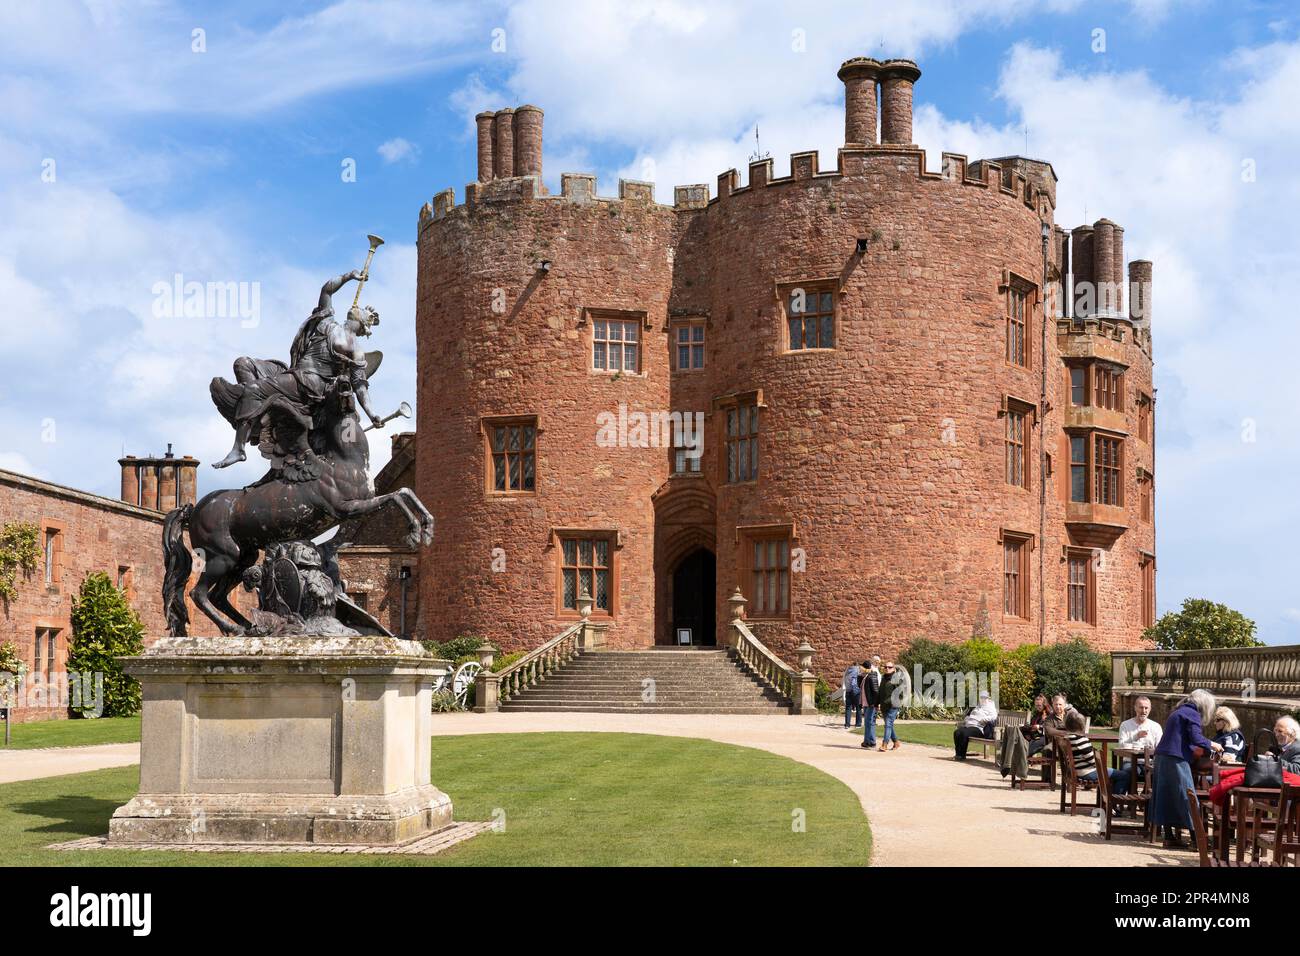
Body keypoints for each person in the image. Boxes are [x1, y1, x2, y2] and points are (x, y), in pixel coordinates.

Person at [1150, 688, 1223, 848]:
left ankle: (1169, 837)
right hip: (1175, 759)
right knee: (1188, 797)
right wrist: (1213, 744)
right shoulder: (1192, 714)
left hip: (1162, 757)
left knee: (1166, 796)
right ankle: (1198, 840)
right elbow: (1196, 738)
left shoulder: (1179, 711)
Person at [1116, 695, 1162, 784]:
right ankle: (1121, 797)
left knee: (1160, 774)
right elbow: (1121, 745)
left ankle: (1148, 797)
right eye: (1141, 707)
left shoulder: (1156, 727)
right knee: (1128, 773)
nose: (1143, 711)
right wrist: (1136, 736)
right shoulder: (1125, 725)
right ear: (1135, 708)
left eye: (1146, 708)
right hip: (1130, 762)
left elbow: (1160, 747)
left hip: (1150, 763)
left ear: (1150, 709)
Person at [953, 690, 998, 760]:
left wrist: (984, 719)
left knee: (964, 733)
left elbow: (994, 716)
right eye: (981, 697)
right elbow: (971, 715)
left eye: (984, 697)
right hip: (969, 726)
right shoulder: (978, 706)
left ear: (988, 698)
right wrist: (967, 719)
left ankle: (962, 755)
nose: (983, 699)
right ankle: (958, 754)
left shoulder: (991, 707)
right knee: (957, 732)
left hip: (979, 728)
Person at [877, 661, 904, 752]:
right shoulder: (883, 678)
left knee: (888, 725)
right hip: (884, 705)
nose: (887, 669)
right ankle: (896, 742)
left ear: (894, 669)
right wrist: (877, 703)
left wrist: (894, 702)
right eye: (886, 667)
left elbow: (901, 694)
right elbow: (880, 692)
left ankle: (884, 744)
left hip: (893, 706)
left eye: (889, 667)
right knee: (889, 725)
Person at [860, 657, 882, 749]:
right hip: (867, 703)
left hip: (871, 704)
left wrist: (877, 703)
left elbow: (876, 691)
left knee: (869, 722)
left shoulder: (872, 676)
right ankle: (870, 741)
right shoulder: (866, 676)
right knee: (869, 722)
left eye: (862, 668)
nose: (860, 669)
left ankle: (868, 741)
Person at [842, 661, 863, 730]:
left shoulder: (847, 671)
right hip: (857, 691)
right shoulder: (859, 670)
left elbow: (844, 680)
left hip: (848, 691)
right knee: (858, 708)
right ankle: (858, 724)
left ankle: (847, 724)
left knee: (848, 708)